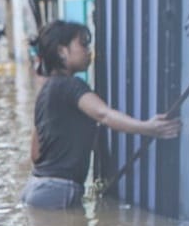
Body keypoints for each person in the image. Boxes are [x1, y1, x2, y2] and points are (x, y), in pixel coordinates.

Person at [24, 20, 181, 210]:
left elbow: (36, 154)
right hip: (58, 191)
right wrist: (148, 128)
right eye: (82, 44)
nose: (89, 51)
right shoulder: (72, 85)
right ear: (62, 51)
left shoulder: (45, 91)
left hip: (35, 189)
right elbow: (103, 114)